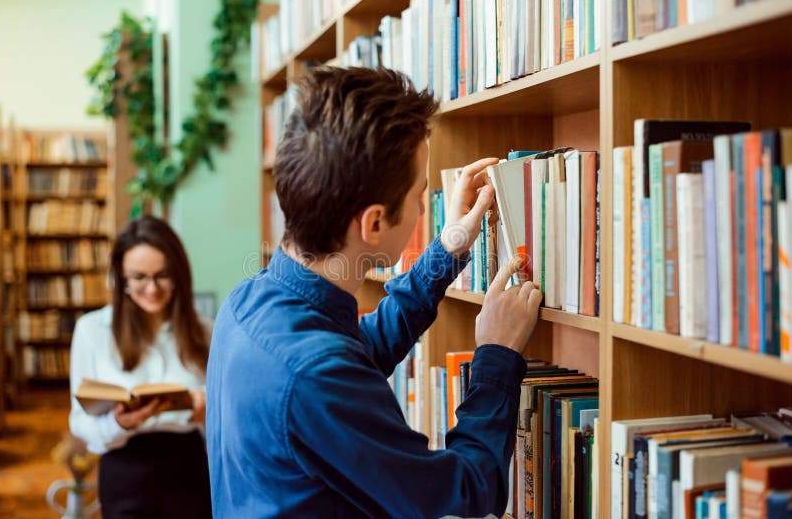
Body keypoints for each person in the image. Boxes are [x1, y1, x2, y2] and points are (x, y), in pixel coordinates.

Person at [207, 67, 542, 518]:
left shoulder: (249, 302)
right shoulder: (315, 373)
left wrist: (449, 246)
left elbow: (359, 353)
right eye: (420, 194)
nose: (425, 205)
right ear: (374, 223)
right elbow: (463, 494)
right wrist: (497, 356)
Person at [69, 215, 212, 518]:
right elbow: (79, 422)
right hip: (124, 468)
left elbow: (225, 420)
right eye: (139, 278)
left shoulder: (206, 331)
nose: (152, 288)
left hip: (188, 468)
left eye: (163, 275)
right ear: (121, 279)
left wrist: (209, 411)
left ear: (180, 275)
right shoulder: (92, 330)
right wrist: (119, 424)